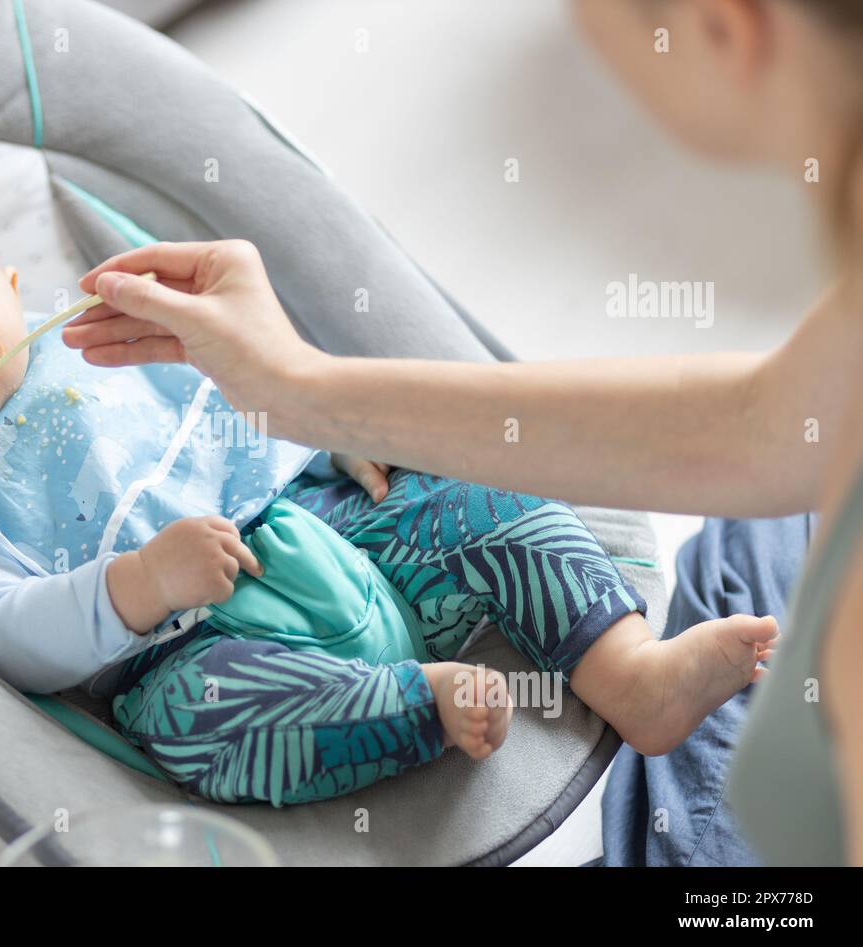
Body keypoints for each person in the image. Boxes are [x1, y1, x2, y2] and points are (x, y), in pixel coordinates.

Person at [60, 0, 863, 863]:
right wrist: (304, 389)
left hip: (340, 548)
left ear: (721, 27)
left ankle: (595, 671)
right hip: (206, 639)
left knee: (493, 500)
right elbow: (766, 423)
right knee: (196, 710)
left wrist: (302, 417)